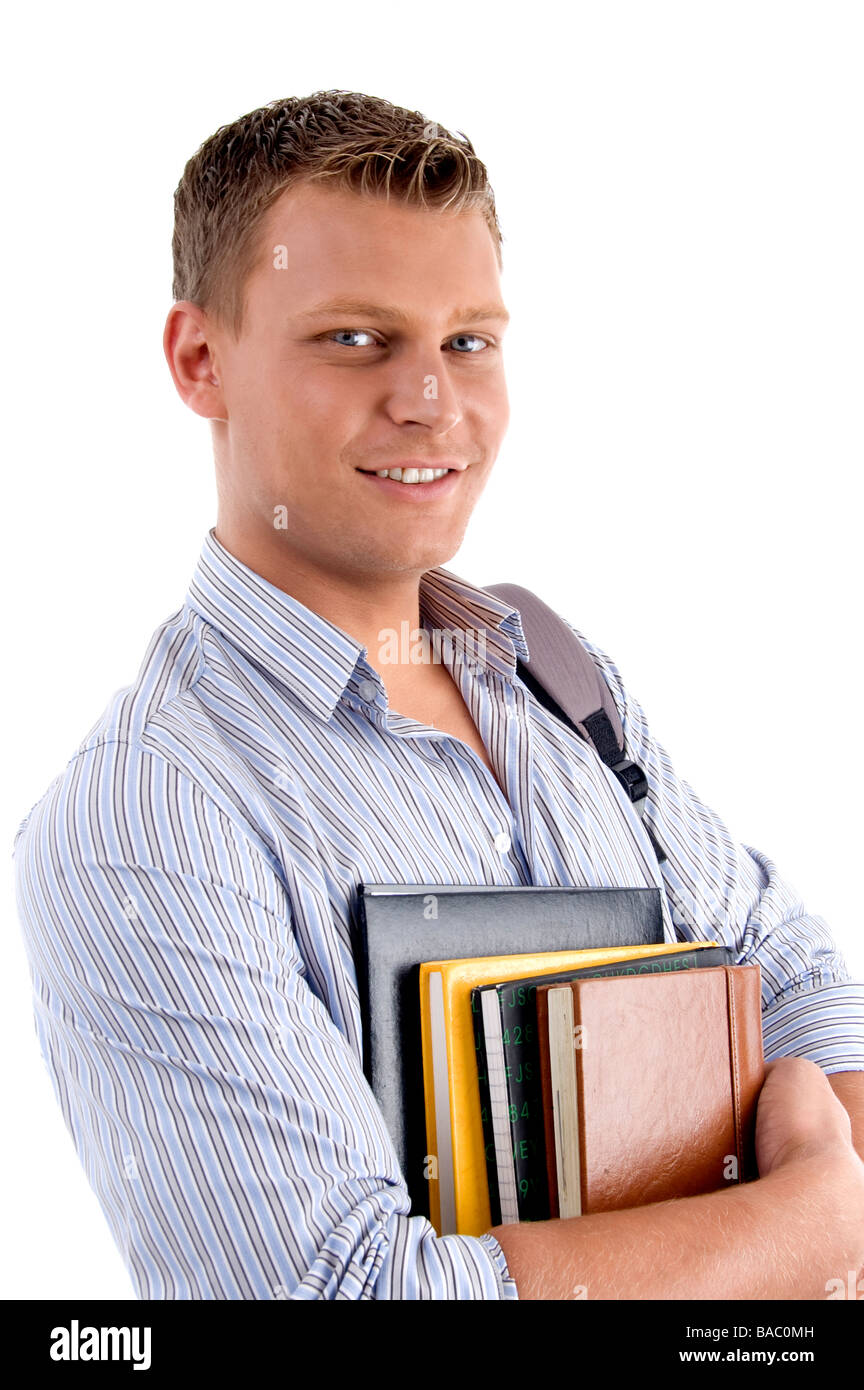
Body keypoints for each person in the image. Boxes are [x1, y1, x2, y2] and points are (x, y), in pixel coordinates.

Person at [13, 90, 864, 1301]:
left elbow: (795, 979)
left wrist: (812, 1175)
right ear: (202, 361)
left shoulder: (562, 683)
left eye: (468, 340)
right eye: (356, 339)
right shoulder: (146, 819)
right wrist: (802, 1233)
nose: (430, 400)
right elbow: (349, 1296)